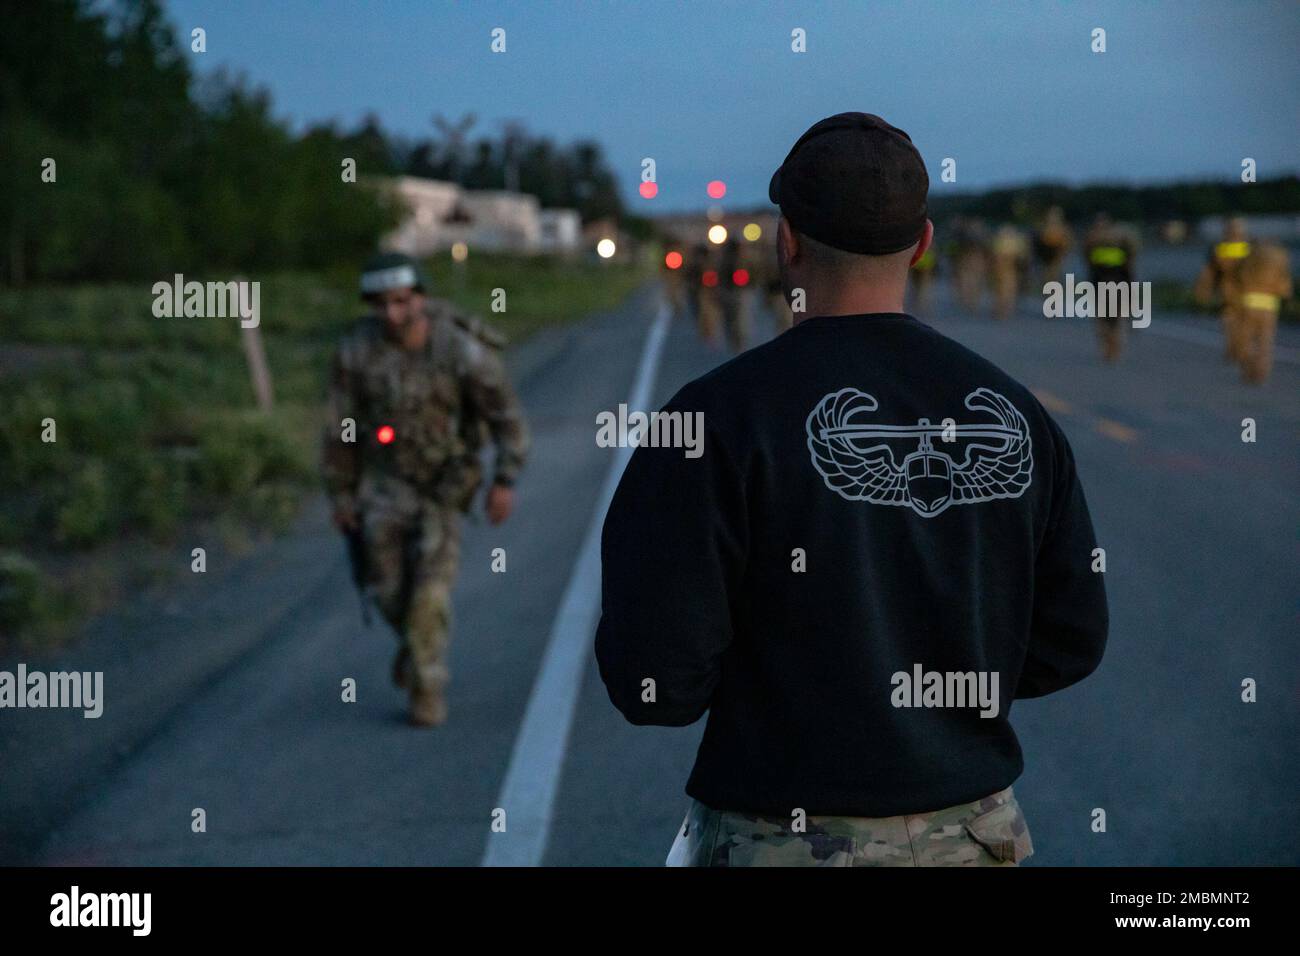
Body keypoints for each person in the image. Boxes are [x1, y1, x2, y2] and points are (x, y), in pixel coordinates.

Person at [594, 112, 1108, 867]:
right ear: (923, 244)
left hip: (776, 841)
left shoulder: (713, 420)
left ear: (787, 240)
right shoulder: (1013, 414)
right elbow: (1070, 640)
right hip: (973, 838)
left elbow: (655, 686)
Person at [322, 252, 529, 727]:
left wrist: (504, 478)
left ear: (421, 297)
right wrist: (340, 493)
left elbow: (506, 416)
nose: (393, 314)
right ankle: (416, 649)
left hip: (444, 484)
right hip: (383, 483)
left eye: (401, 301)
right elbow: (340, 428)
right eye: (381, 305)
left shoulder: (458, 349)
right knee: (387, 589)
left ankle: (428, 687)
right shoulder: (356, 351)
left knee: (430, 592)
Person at [1193, 216, 1252, 363]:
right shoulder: (1249, 247)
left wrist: (1204, 290)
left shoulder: (1220, 248)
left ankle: (1234, 347)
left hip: (1229, 289)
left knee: (1230, 319)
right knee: (1241, 320)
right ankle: (1240, 347)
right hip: (1245, 289)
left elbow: (1209, 271)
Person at [1233, 241, 1293, 384]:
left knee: (1245, 340)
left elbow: (1239, 278)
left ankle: (1249, 369)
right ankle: (1261, 372)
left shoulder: (1249, 259)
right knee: (1265, 342)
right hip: (1268, 306)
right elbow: (1285, 287)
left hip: (1250, 304)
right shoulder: (1279, 260)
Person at [1083, 214, 1138, 362]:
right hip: (1109, 282)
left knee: (1110, 319)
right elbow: (1130, 262)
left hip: (1110, 282)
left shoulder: (1094, 240)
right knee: (1108, 319)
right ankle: (1112, 346)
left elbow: (1088, 261)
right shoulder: (1119, 240)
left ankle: (1112, 346)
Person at [989, 224, 1029, 320]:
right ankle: (1003, 309)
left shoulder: (1004, 242)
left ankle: (1003, 309)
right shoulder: (1015, 242)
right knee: (1004, 289)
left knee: (1005, 289)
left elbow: (1022, 257)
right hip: (1005, 270)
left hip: (1008, 270)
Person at [1032, 206, 1073, 291]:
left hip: (1056, 260)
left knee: (1054, 277)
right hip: (1046, 259)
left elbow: (1067, 245)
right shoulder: (1041, 229)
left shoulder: (1065, 230)